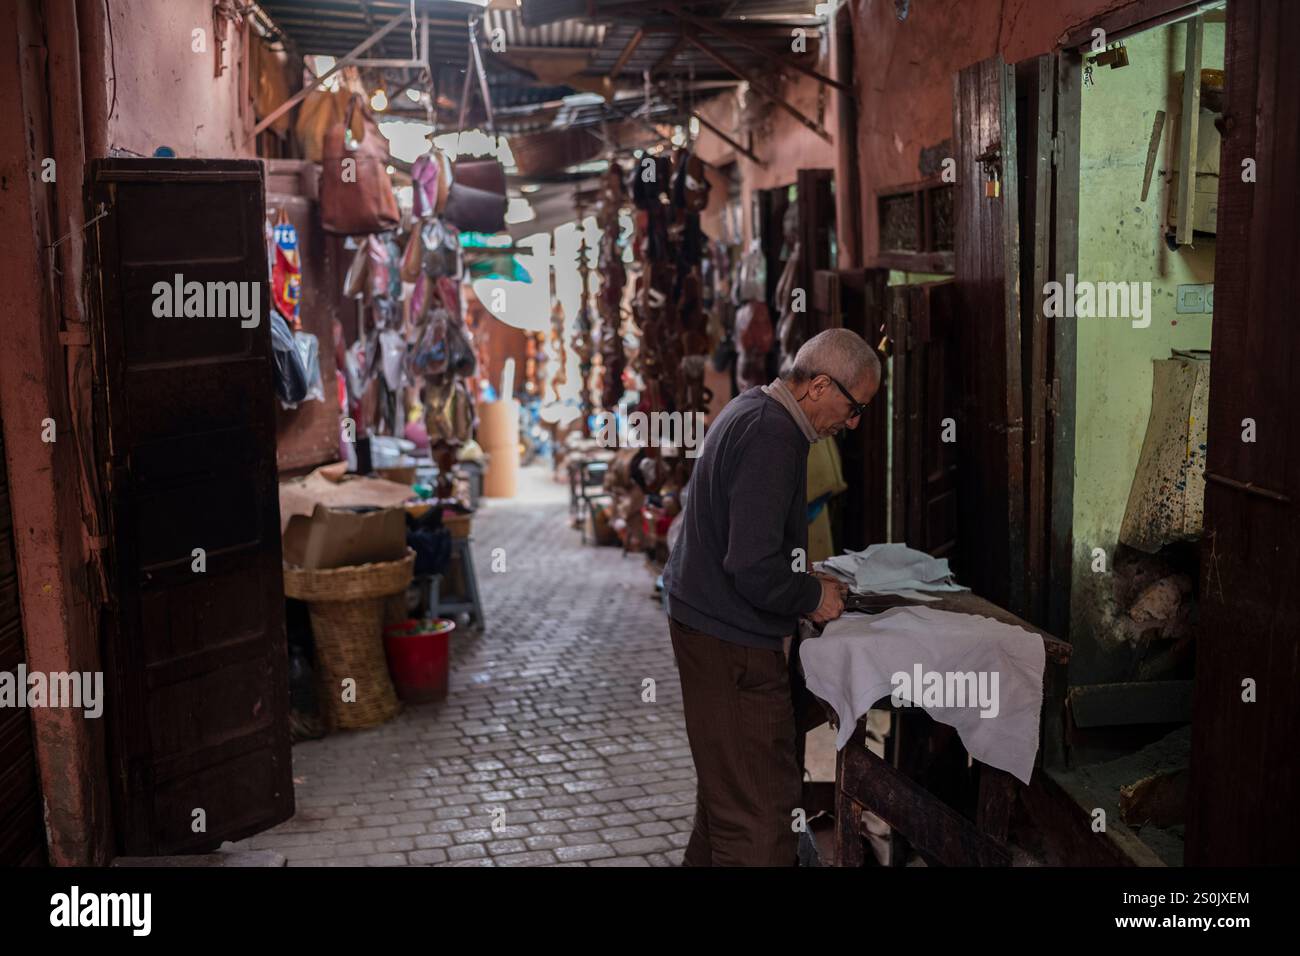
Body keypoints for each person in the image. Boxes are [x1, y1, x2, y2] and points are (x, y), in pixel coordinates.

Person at [663, 327, 882, 866]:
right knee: (761, 823)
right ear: (819, 386)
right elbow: (752, 566)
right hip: (728, 642)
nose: (853, 424)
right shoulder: (773, 436)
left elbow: (745, 541)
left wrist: (799, 571)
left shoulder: (754, 409)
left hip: (710, 625)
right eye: (854, 408)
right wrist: (811, 595)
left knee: (724, 808)